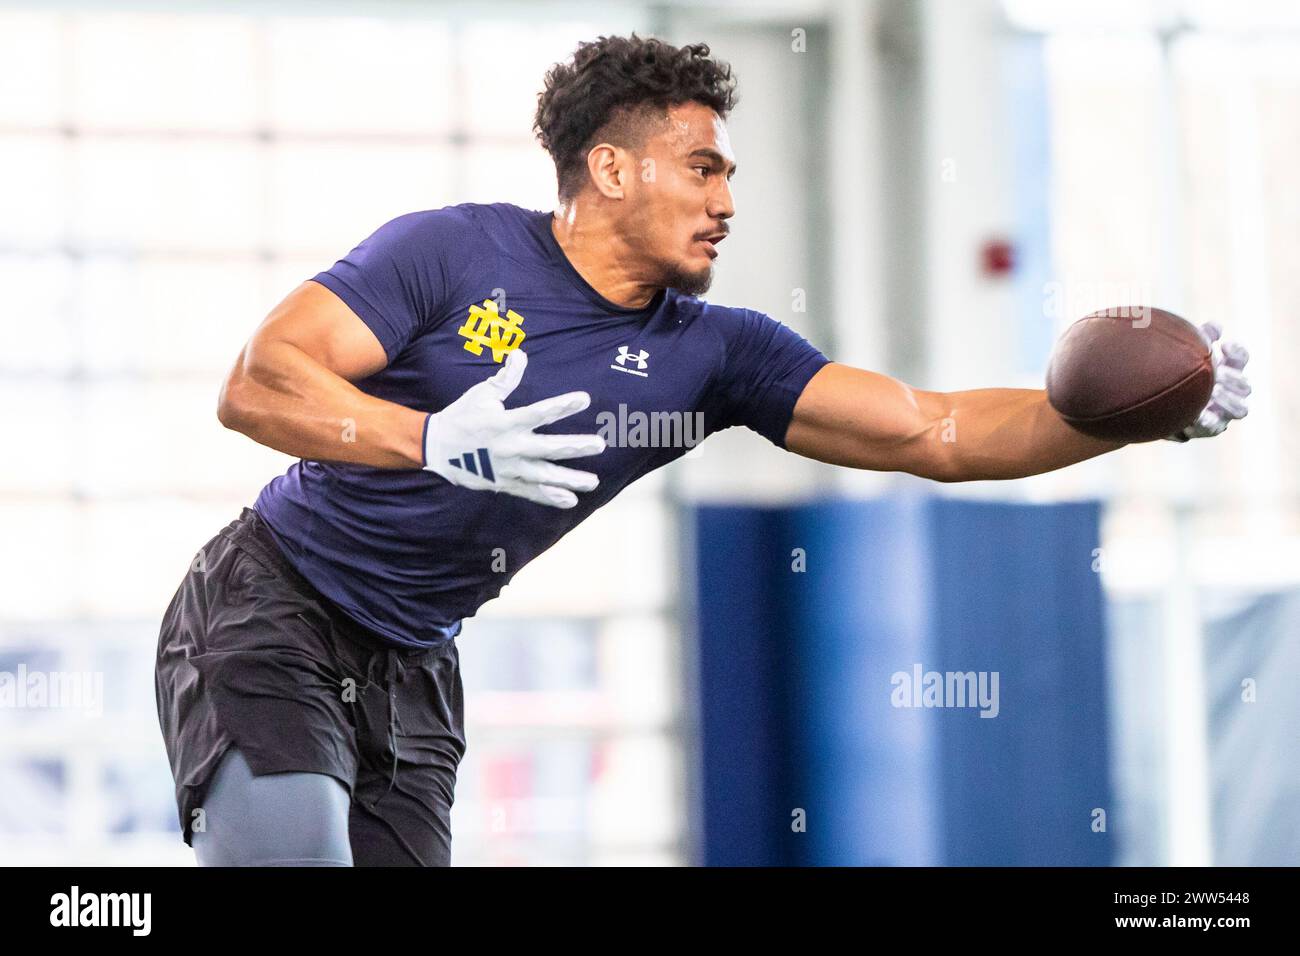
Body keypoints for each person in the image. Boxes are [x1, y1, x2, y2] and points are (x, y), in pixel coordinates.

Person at [155, 34, 1251, 866]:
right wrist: (431, 437)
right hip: (271, 604)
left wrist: (1125, 415)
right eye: (702, 168)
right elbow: (258, 383)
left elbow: (940, 432)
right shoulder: (448, 250)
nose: (727, 202)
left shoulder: (717, 353)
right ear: (613, 171)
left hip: (415, 660)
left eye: (729, 176)